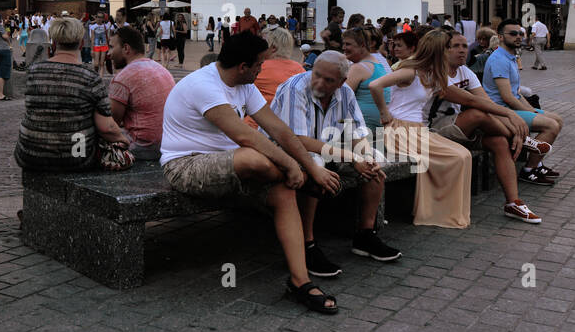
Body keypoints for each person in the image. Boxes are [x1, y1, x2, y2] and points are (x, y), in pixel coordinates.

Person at [160, 31, 340, 314]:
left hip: (235, 162)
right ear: (243, 66)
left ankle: (300, 281)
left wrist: (310, 166)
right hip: (186, 165)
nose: (262, 70)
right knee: (255, 158)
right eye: (258, 65)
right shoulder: (203, 85)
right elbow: (246, 136)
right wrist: (296, 167)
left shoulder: (244, 84)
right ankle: (301, 182)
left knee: (282, 191)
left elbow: (278, 129)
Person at [269, 50, 401, 270]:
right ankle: (307, 243)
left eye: (328, 80)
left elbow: (357, 134)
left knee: (373, 165)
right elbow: (297, 140)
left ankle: (365, 235)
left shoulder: (345, 93)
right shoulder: (295, 89)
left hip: (324, 148)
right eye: (316, 75)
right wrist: (350, 156)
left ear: (341, 82)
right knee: (315, 165)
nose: (319, 83)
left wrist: (365, 156)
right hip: (285, 150)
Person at [369, 31, 482, 228]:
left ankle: (443, 210)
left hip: (417, 130)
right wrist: (384, 113)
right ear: (440, 50)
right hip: (399, 130)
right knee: (456, 157)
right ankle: (434, 212)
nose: (455, 51)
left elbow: (470, 99)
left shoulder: (431, 74)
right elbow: (375, 85)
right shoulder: (410, 71)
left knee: (463, 155)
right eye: (449, 47)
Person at [432, 30, 541, 224]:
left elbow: (487, 101)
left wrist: (511, 118)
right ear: (444, 50)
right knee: (477, 113)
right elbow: (472, 101)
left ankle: (513, 203)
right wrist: (512, 121)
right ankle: (523, 140)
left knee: (499, 141)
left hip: (458, 126)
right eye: (455, 46)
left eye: (465, 46)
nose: (462, 51)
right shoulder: (436, 73)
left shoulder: (465, 71)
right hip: (431, 130)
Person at [15, 16, 131, 169]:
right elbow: (106, 128)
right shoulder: (90, 77)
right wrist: (124, 140)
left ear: (54, 43)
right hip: (76, 155)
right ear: (81, 44)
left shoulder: (33, 72)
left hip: (29, 152)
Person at [481, 21, 563, 184]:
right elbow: (507, 97)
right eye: (512, 34)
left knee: (558, 119)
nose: (518, 37)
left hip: (512, 107)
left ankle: (537, 164)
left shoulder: (510, 57)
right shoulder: (499, 59)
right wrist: (532, 112)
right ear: (500, 37)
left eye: (520, 33)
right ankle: (529, 170)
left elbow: (516, 93)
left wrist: (531, 110)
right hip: (501, 112)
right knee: (551, 125)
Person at [107, 26, 175, 163]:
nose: (109, 53)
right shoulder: (161, 69)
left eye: (112, 47)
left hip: (143, 149)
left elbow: (112, 123)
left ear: (126, 48)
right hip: (169, 144)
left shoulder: (123, 78)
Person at [343, 26, 389, 137]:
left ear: (362, 45)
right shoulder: (376, 62)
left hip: (363, 129)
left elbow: (341, 98)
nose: (344, 48)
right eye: (343, 44)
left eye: (348, 44)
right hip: (378, 127)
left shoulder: (358, 68)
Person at [253, 26, 305, 103]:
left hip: (258, 113)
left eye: (261, 43)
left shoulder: (257, 68)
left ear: (273, 48)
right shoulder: (299, 69)